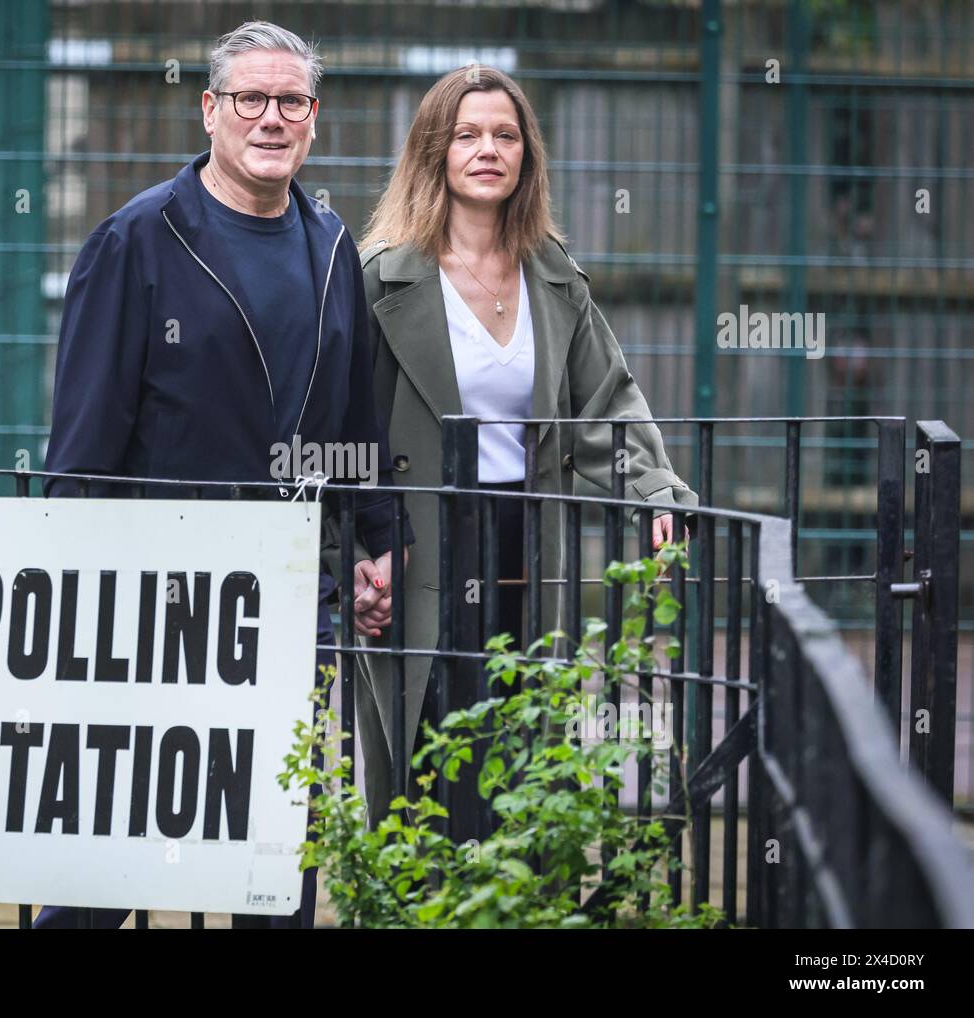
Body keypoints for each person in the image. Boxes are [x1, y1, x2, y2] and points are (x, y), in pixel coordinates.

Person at [36, 20, 412, 929]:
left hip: (287, 589)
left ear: (314, 119)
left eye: (291, 101)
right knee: (116, 851)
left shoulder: (329, 244)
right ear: (210, 110)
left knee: (272, 855)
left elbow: (352, 419)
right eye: (250, 98)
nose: (271, 118)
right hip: (152, 595)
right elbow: (82, 448)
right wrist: (76, 591)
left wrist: (376, 541)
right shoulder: (136, 241)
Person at [328, 65, 698, 832]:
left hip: (526, 539)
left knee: (525, 741)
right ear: (435, 151)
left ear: (527, 154)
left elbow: (607, 403)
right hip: (418, 540)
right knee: (420, 760)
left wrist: (657, 491)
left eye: (505, 134)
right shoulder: (377, 280)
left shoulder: (554, 275)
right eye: (466, 134)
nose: (487, 148)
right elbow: (343, 426)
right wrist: (359, 548)